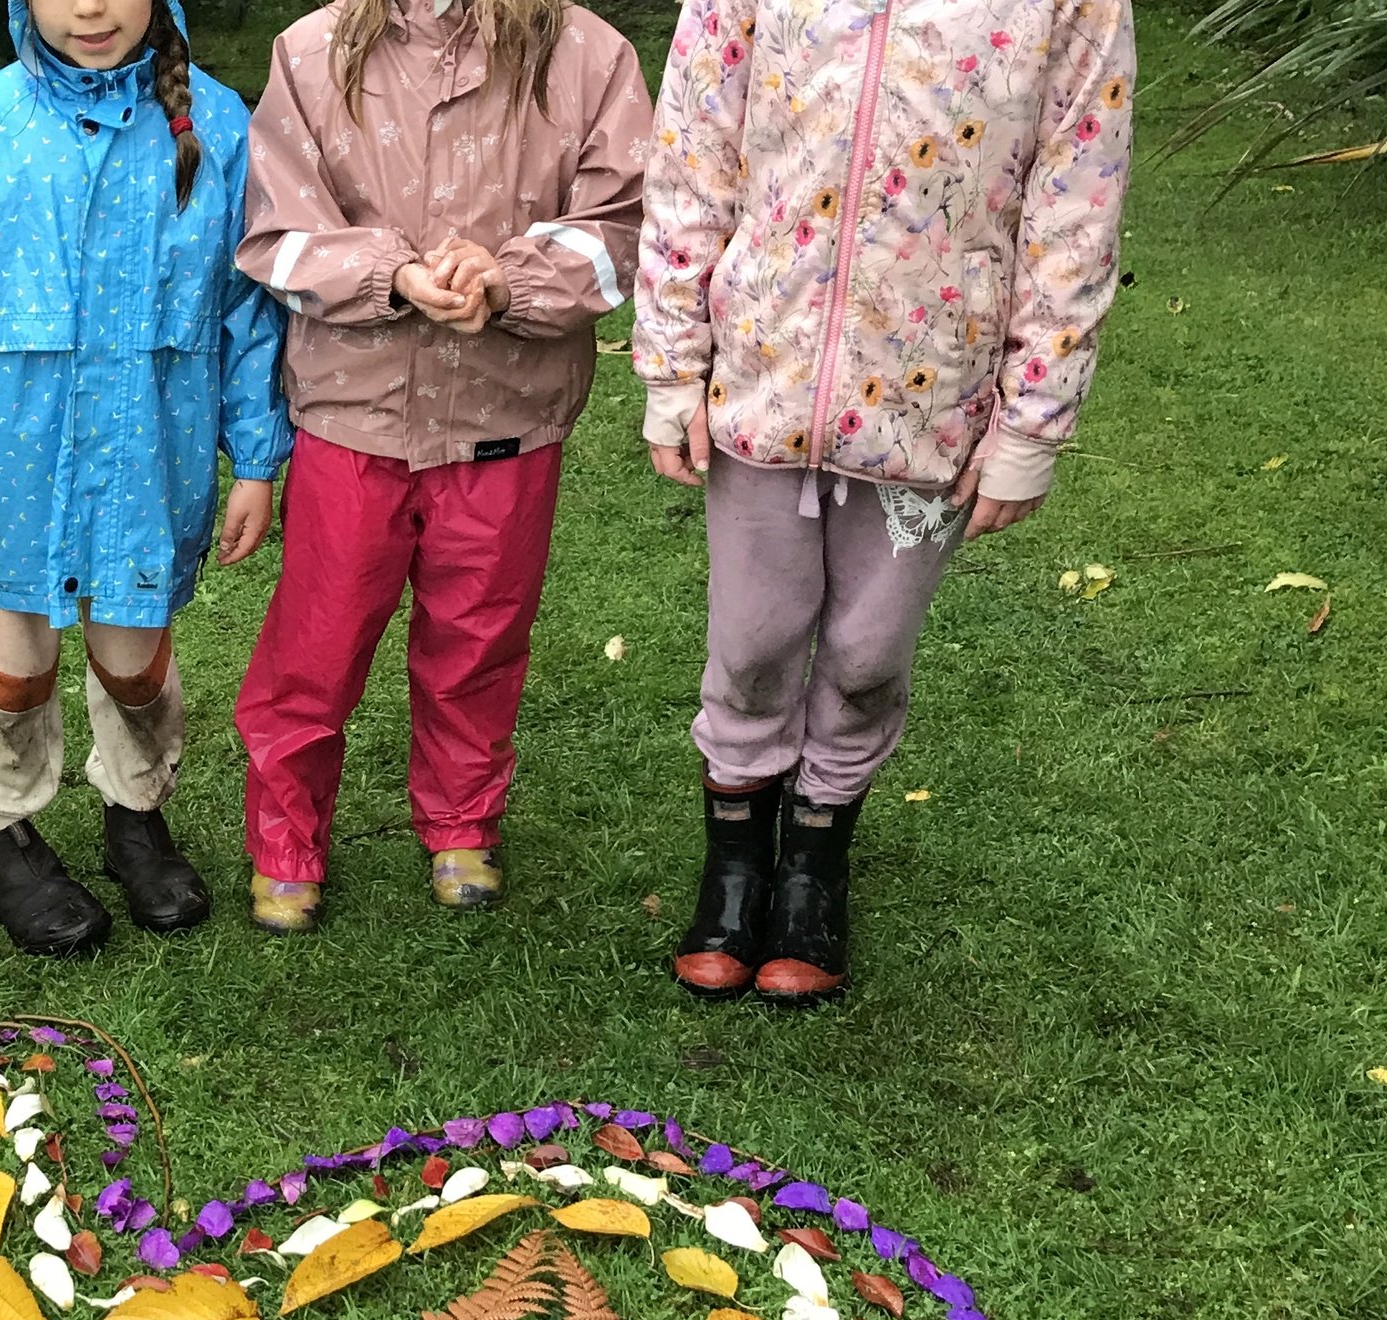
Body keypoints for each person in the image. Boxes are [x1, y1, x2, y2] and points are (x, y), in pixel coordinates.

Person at [638, 0, 1134, 1003]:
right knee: (751, 644)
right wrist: (670, 364)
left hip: (933, 393)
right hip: (763, 376)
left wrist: (1030, 423)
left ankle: (815, 865)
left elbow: (1077, 203)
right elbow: (691, 151)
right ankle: (735, 868)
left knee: (867, 656)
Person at [0, 0, 292, 958]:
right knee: (11, 667)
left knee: (135, 659)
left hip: (152, 451)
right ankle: (4, 834)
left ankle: (135, 813)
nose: (91, 8)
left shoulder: (217, 125)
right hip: (11, 453)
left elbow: (248, 310)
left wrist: (256, 457)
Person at [231, 0, 651, 933]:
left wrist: (513, 279)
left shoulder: (586, 54)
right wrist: (390, 274)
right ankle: (286, 837)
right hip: (355, 412)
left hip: (506, 414)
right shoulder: (312, 51)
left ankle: (464, 822)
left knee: (480, 634)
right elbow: (275, 233)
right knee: (319, 639)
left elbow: (625, 224)